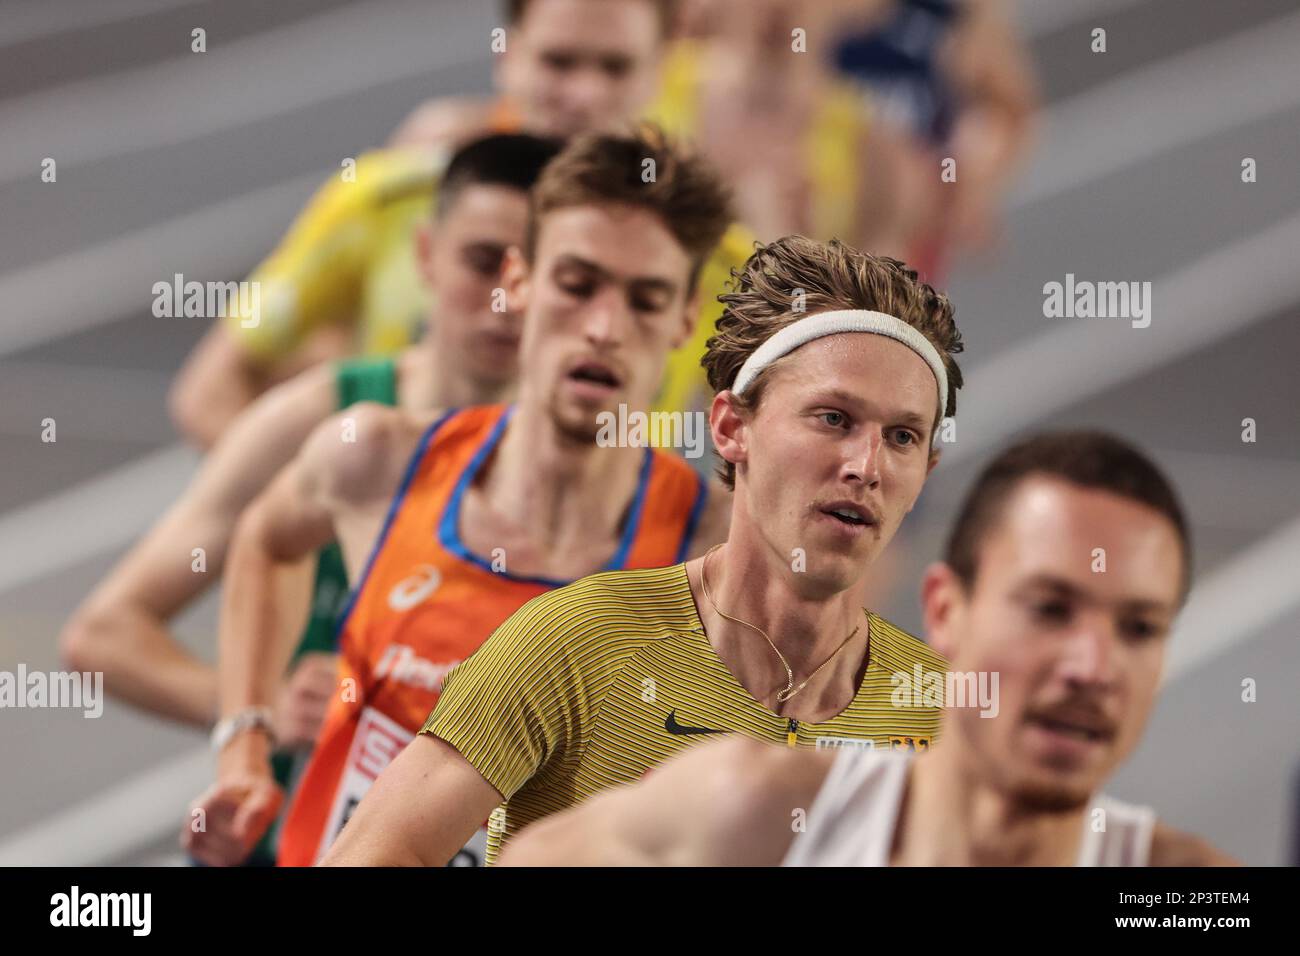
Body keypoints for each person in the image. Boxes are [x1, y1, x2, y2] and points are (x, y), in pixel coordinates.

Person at [182, 127, 736, 867]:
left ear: (684, 320)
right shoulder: (378, 460)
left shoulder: (711, 557)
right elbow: (264, 540)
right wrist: (244, 741)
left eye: (646, 298)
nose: (604, 328)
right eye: (577, 284)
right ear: (521, 281)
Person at [320, 234, 967, 867]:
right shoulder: (578, 640)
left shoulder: (944, 714)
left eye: (904, 437)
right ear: (731, 428)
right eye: (833, 419)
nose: (867, 465)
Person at [59, 132, 561, 863]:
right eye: (482, 261)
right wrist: (254, 711)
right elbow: (104, 635)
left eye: (537, 272)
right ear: (425, 255)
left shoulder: (597, 471)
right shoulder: (318, 421)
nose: (504, 301)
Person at [500, 432, 1237, 867]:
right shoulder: (756, 816)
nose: (1093, 667)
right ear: (947, 611)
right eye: (1048, 609)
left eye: (1139, 628)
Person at [168, 0, 754, 451]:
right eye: (559, 61)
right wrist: (313, 532)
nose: (584, 93)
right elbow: (211, 390)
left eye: (614, 67)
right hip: (396, 596)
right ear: (510, 54)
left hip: (592, 601)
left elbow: (787, 436)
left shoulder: (710, 255)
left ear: (662, 71)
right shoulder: (388, 202)